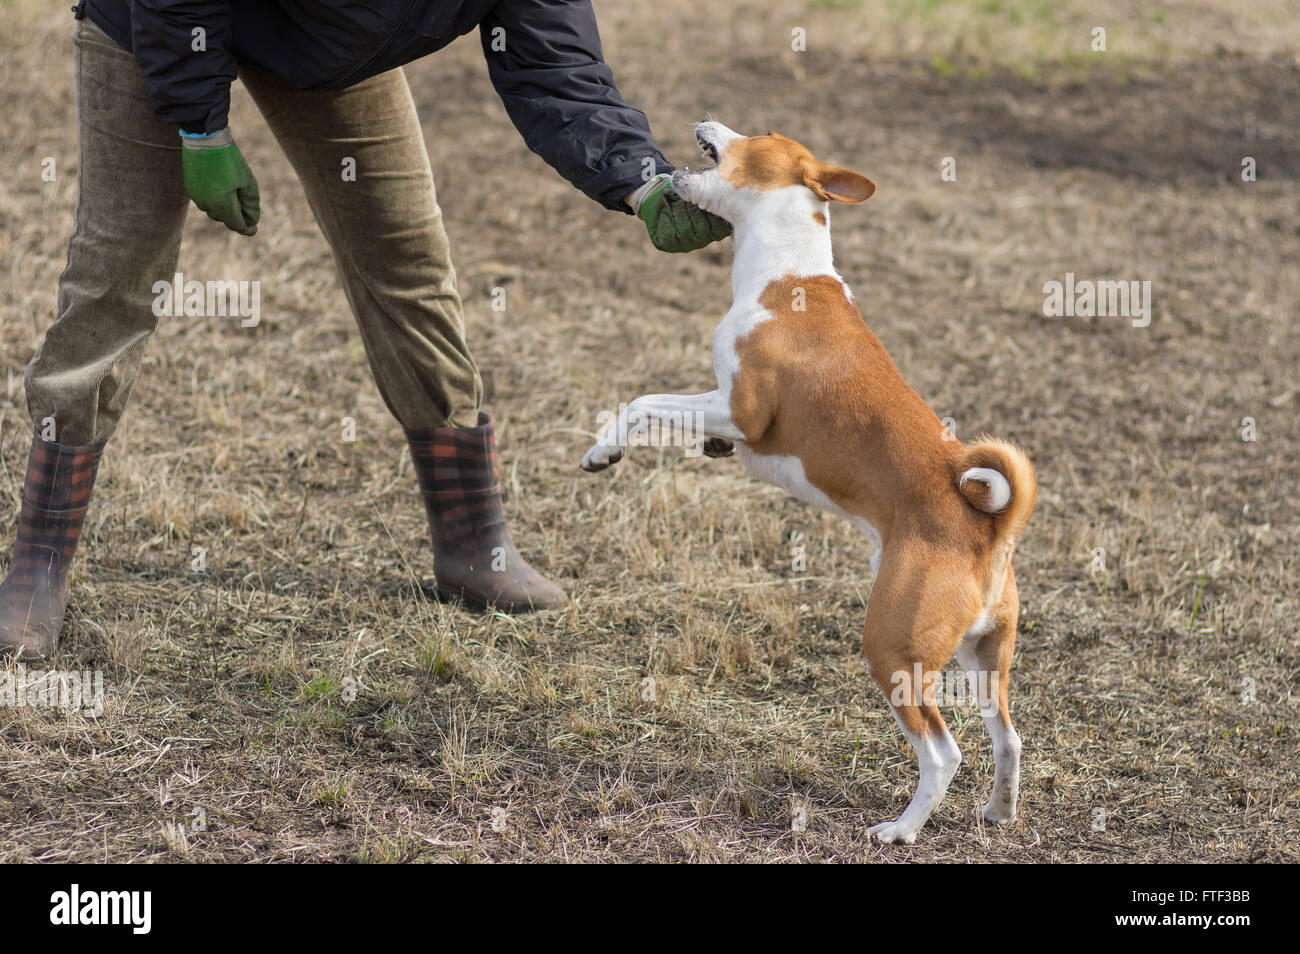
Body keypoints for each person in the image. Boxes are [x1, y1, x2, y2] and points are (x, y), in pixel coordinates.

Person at [0, 0, 730, 659]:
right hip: (155, 26)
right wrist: (199, 123)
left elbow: (555, 65)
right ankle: (38, 560)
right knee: (117, 273)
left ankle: (473, 544)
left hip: (328, 55)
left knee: (406, 256)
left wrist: (645, 183)